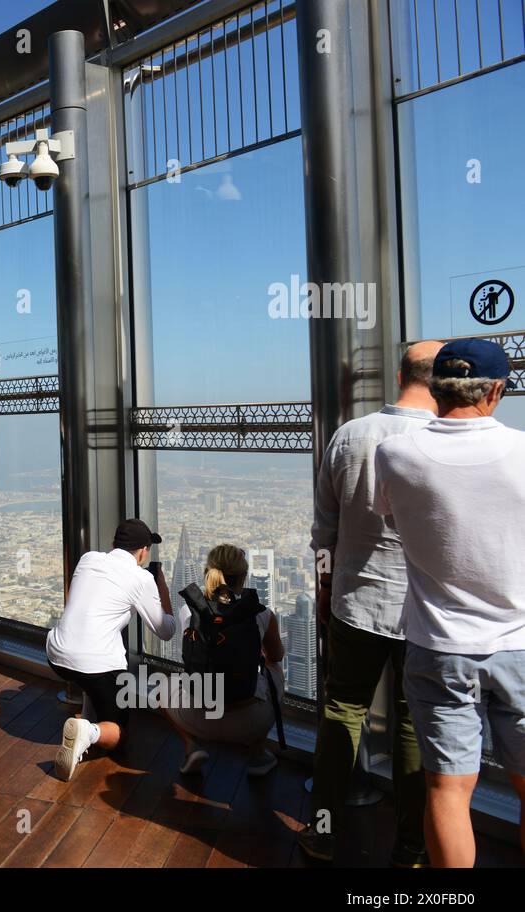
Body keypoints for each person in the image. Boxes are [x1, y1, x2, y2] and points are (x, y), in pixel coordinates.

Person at [374, 338, 525, 867]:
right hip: (522, 644)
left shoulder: (394, 454)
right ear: (497, 390)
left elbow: (392, 519)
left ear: (434, 386)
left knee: (447, 790)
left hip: (438, 646)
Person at [298, 340, 443, 867]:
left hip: (354, 604)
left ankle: (321, 831)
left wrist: (323, 590)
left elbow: (324, 532)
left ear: (400, 373)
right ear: (444, 378)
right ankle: (410, 847)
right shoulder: (444, 441)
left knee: (341, 715)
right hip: (425, 616)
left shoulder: (349, 437)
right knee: (411, 725)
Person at [48, 519, 176, 782]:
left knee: (95, 662)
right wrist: (161, 585)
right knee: (120, 734)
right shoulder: (141, 578)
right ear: (143, 551)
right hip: (96, 667)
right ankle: (89, 732)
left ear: (113, 545)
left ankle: (87, 713)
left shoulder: (88, 559)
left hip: (57, 655)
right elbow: (167, 630)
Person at [161, 544, 285, 777]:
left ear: (208, 573)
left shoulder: (189, 613)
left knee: (162, 686)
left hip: (198, 718)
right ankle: (258, 754)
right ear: (243, 577)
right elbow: (276, 656)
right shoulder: (261, 614)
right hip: (251, 721)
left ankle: (192, 747)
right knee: (274, 667)